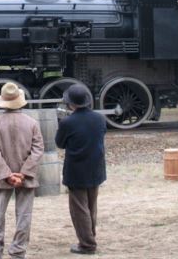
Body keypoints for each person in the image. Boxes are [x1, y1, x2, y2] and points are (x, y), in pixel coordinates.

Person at [0, 82, 44, 259]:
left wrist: (6, 174)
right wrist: (23, 173)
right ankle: (18, 252)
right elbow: (38, 149)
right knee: (24, 215)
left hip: (3, 178)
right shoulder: (32, 123)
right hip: (27, 177)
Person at [55, 84, 106, 255]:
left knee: (79, 209)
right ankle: (90, 236)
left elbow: (59, 144)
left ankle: (87, 244)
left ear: (70, 103)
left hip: (76, 169)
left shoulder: (67, 122)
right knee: (92, 205)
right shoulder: (99, 118)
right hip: (96, 167)